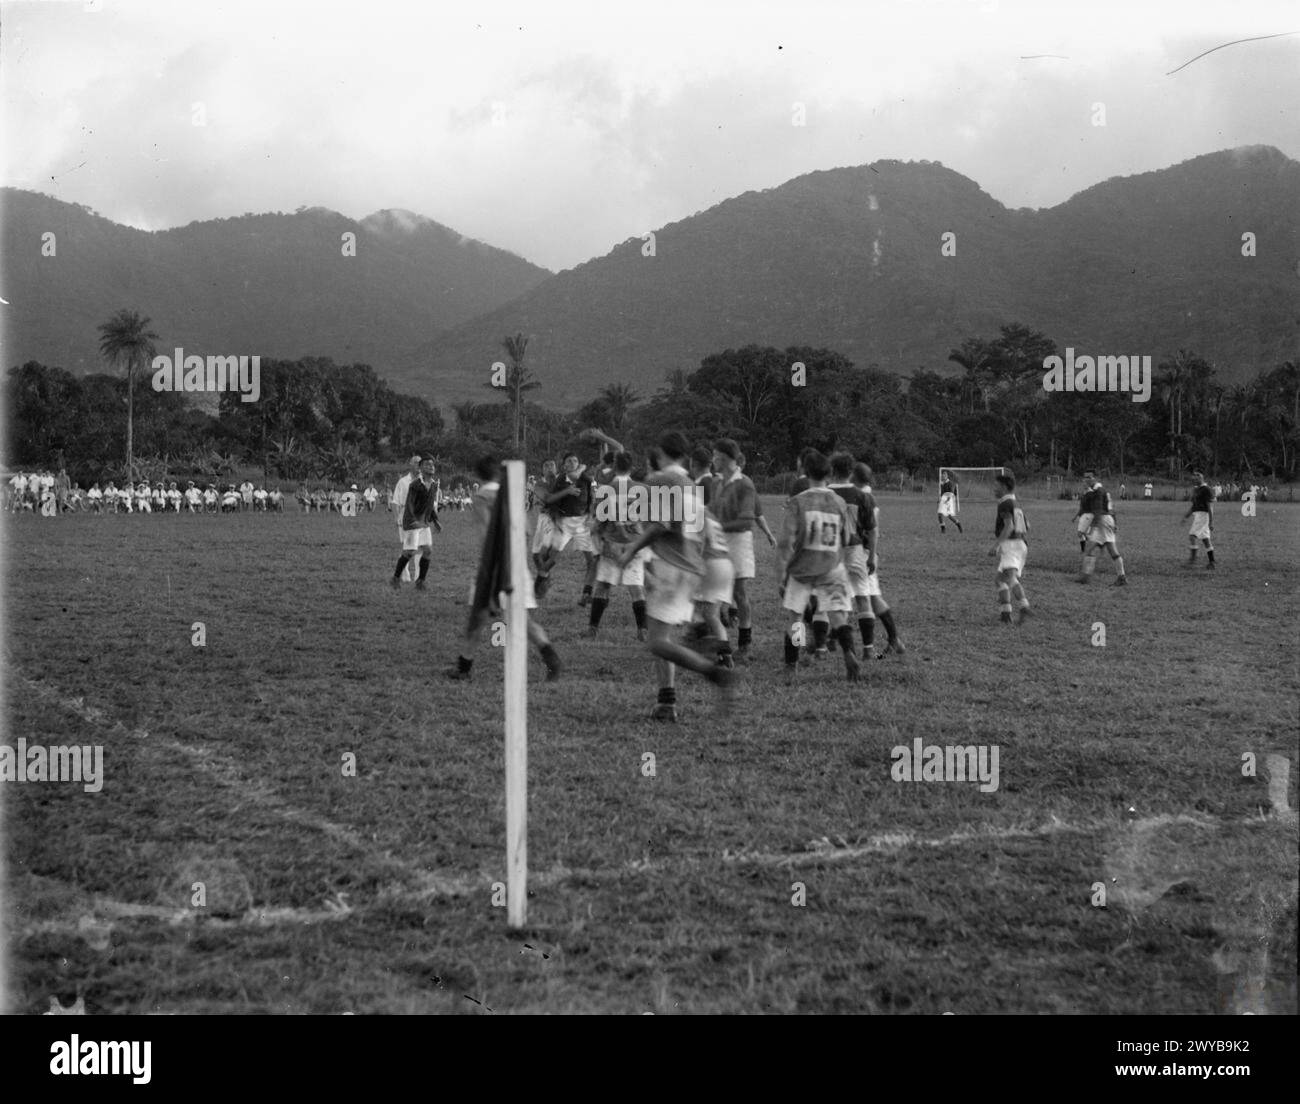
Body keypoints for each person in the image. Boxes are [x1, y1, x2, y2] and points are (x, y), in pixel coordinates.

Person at [616, 432, 736, 722]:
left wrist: (632, 548)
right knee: (663, 637)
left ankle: (716, 674)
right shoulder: (692, 486)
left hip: (670, 565)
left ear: (661, 451)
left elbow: (660, 525)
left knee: (657, 642)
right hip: (691, 566)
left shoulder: (660, 481)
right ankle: (666, 703)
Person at [447, 454, 562, 682]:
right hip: (517, 564)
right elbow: (528, 532)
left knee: (477, 619)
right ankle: (552, 658)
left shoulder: (481, 497)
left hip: (494, 566)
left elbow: (486, 535)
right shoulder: (512, 495)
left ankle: (463, 668)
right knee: (524, 620)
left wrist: (490, 571)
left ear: (478, 474)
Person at [778, 449, 861, 682]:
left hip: (803, 567)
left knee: (796, 618)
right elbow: (846, 538)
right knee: (837, 616)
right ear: (829, 473)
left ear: (806, 472)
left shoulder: (798, 502)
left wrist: (782, 575)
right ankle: (848, 653)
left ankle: (792, 665)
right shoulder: (839, 501)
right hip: (832, 566)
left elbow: (785, 543)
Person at [710, 439, 773, 663]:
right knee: (714, 590)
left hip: (738, 542)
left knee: (738, 592)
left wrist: (716, 525)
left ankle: (745, 643)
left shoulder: (744, 483)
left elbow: (747, 518)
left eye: (716, 456)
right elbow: (711, 511)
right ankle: (716, 640)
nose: (713, 460)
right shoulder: (718, 483)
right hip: (720, 540)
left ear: (727, 459)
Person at [587, 451, 650, 641]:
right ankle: (642, 630)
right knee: (636, 588)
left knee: (603, 586)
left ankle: (593, 628)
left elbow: (599, 521)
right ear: (632, 468)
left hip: (612, 543)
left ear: (614, 467)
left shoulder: (606, 489)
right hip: (634, 545)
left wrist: (598, 539)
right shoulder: (642, 489)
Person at [850, 463, 906, 656]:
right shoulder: (867, 496)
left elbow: (872, 530)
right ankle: (894, 640)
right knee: (873, 598)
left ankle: (816, 644)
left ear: (854, 477)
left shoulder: (862, 498)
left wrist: (871, 554)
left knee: (858, 599)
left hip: (861, 552)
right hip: (867, 552)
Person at [536, 453, 596, 602]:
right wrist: (556, 521)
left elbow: (591, 499)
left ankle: (586, 594)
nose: (573, 463)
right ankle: (540, 581)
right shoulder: (560, 480)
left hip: (582, 523)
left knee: (592, 560)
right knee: (550, 558)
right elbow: (553, 503)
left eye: (575, 460)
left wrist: (590, 516)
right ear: (564, 466)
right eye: (569, 461)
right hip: (564, 522)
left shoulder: (586, 479)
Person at [391, 458, 443, 589]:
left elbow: (430, 506)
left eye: (432, 464)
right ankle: (395, 578)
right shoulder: (415, 485)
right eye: (427, 465)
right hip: (412, 522)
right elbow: (409, 505)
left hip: (424, 523)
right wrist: (412, 522)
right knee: (410, 551)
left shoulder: (434, 485)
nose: (431, 466)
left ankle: (420, 581)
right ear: (421, 468)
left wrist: (436, 521)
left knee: (428, 550)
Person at [991, 471, 1031, 624]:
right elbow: (1027, 525)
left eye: (996, 486)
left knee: (1010, 578)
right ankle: (1005, 614)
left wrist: (996, 545)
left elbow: (1009, 527)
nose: (994, 489)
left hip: (1011, 544)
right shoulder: (1015, 503)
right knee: (999, 580)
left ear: (1004, 487)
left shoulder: (1004, 503)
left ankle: (1024, 606)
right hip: (1020, 544)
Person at [1077, 470, 1127, 586]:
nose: (1086, 480)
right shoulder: (1102, 490)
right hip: (1107, 520)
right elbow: (1111, 509)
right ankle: (1121, 576)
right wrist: (1115, 523)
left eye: (1088, 478)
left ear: (1093, 479)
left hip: (1103, 521)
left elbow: (1098, 511)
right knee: (1109, 550)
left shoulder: (1097, 491)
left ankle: (1085, 577)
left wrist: (1095, 527)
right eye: (1085, 478)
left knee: (1091, 548)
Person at [391, 456, 421, 583]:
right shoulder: (403, 482)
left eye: (420, 463)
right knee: (409, 548)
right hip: (405, 517)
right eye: (416, 463)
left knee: (420, 547)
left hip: (420, 517)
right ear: (410, 464)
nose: (418, 465)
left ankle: (418, 577)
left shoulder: (424, 481)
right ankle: (405, 574)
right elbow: (395, 502)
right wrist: (397, 517)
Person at [1183, 471, 1216, 570]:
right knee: (1205, 539)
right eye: (1193, 479)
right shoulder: (1196, 490)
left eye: (1196, 479)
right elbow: (1194, 506)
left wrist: (1211, 521)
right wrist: (1186, 517)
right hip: (1198, 515)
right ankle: (1212, 562)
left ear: (1201, 479)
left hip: (1203, 515)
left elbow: (1210, 507)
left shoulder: (1206, 489)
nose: (1194, 481)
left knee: (1192, 536)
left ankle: (1192, 561)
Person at [937, 469, 963, 534]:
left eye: (944, 476)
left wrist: (947, 500)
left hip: (949, 501)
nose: (943, 477)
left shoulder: (950, 483)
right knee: (940, 514)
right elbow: (942, 494)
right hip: (944, 501)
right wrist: (940, 499)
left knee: (949, 516)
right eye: (942, 476)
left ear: (947, 476)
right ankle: (943, 529)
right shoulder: (942, 484)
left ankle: (958, 524)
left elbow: (951, 493)